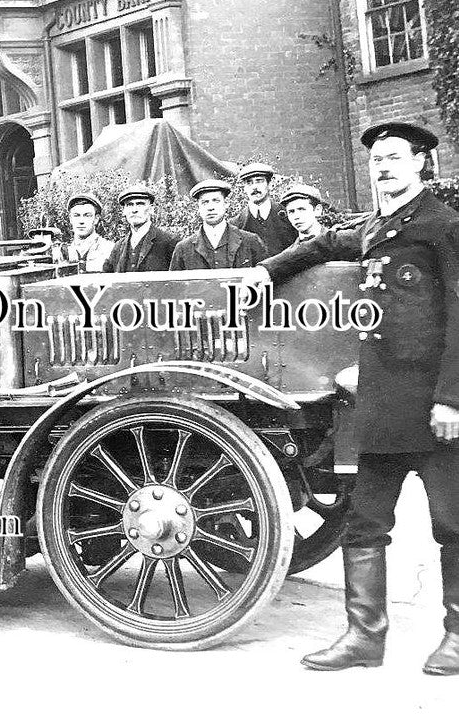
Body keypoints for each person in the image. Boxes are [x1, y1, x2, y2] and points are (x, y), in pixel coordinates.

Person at [247, 122, 459, 676]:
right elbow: (321, 243)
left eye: (394, 158)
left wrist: (452, 399)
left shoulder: (443, 226)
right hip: (382, 404)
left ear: (420, 163)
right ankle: (364, 637)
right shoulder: (375, 227)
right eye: (376, 160)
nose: (383, 167)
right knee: (364, 523)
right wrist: (265, 269)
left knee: (453, 523)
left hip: (434, 405)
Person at [169, 179, 268, 270]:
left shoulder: (250, 242)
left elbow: (265, 279)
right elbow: (174, 283)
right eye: (205, 202)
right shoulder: (183, 249)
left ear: (226, 204)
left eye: (216, 201)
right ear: (198, 208)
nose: (210, 207)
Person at [105, 185, 179, 272]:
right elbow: (106, 276)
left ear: (151, 209)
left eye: (140, 204)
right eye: (129, 205)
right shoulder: (118, 247)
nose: (134, 210)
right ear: (124, 211)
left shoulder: (170, 242)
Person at [231, 162, 298, 255]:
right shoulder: (235, 225)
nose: (254, 187)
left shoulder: (289, 216)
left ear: (269, 184)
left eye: (259, 181)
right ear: (244, 188)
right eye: (249, 183)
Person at [61, 191, 115, 272]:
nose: (81, 221)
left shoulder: (109, 249)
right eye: (76, 215)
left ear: (96, 219)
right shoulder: (63, 252)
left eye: (87, 215)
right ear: (70, 219)